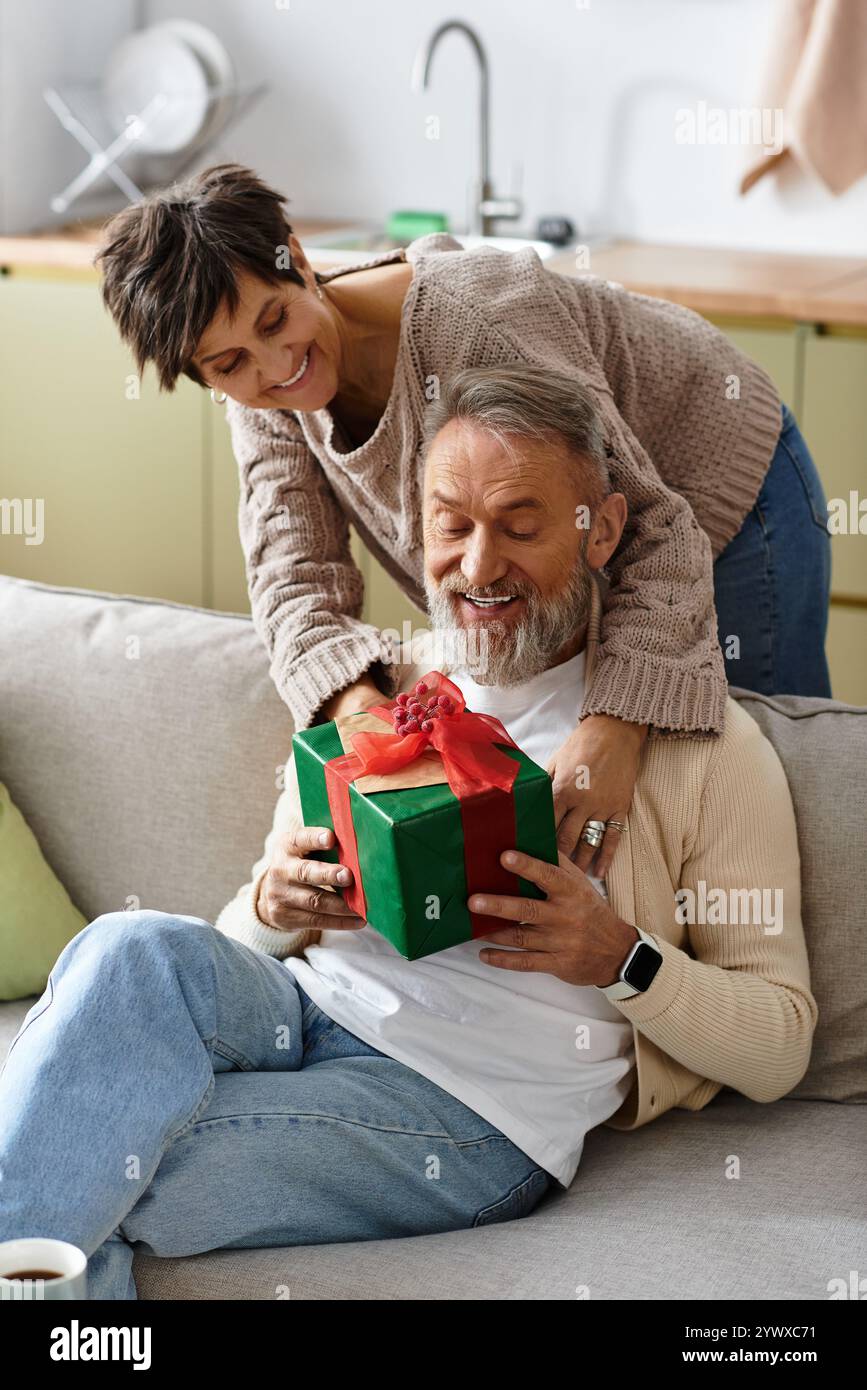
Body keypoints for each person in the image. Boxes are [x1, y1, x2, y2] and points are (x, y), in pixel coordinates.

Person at [0, 366, 817, 1301]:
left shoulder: (697, 744)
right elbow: (243, 940)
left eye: (519, 525)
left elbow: (780, 1042)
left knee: (116, 1158)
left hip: (470, 1109)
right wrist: (271, 907)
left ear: (603, 531)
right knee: (124, 951)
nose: (476, 568)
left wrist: (619, 959)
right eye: (451, 525)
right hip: (300, 1010)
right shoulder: (382, 693)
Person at [94, 164, 831, 880]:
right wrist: (359, 711)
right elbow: (295, 583)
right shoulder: (264, 402)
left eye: (276, 318)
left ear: (300, 262)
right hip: (566, 535)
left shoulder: (474, 320)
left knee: (764, 774)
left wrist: (616, 723)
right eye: (229, 363)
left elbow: (651, 529)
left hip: (715, 490)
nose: (276, 364)